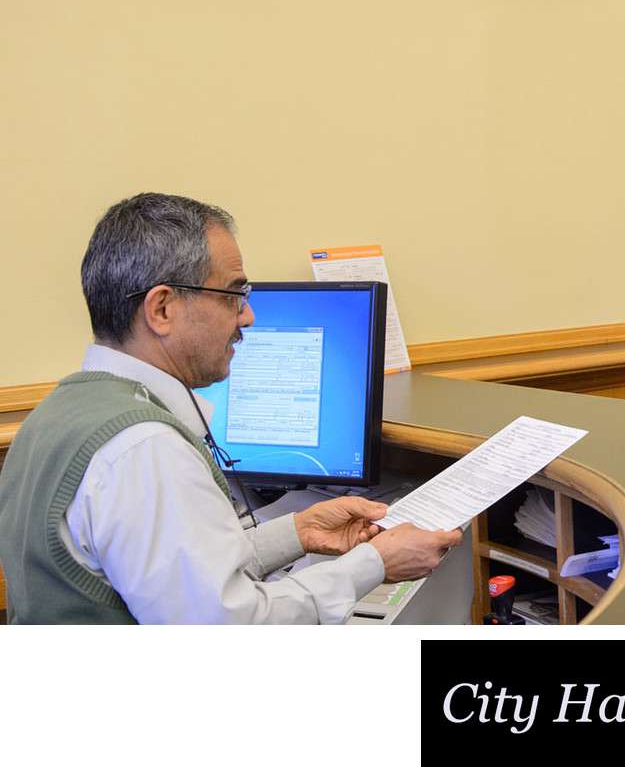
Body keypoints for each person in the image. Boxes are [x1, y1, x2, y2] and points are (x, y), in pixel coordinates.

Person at [0, 193, 462, 624]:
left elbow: (179, 572)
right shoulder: (145, 450)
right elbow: (229, 627)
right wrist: (374, 564)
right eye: (233, 295)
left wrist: (295, 532)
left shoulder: (56, 414)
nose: (247, 316)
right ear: (161, 308)